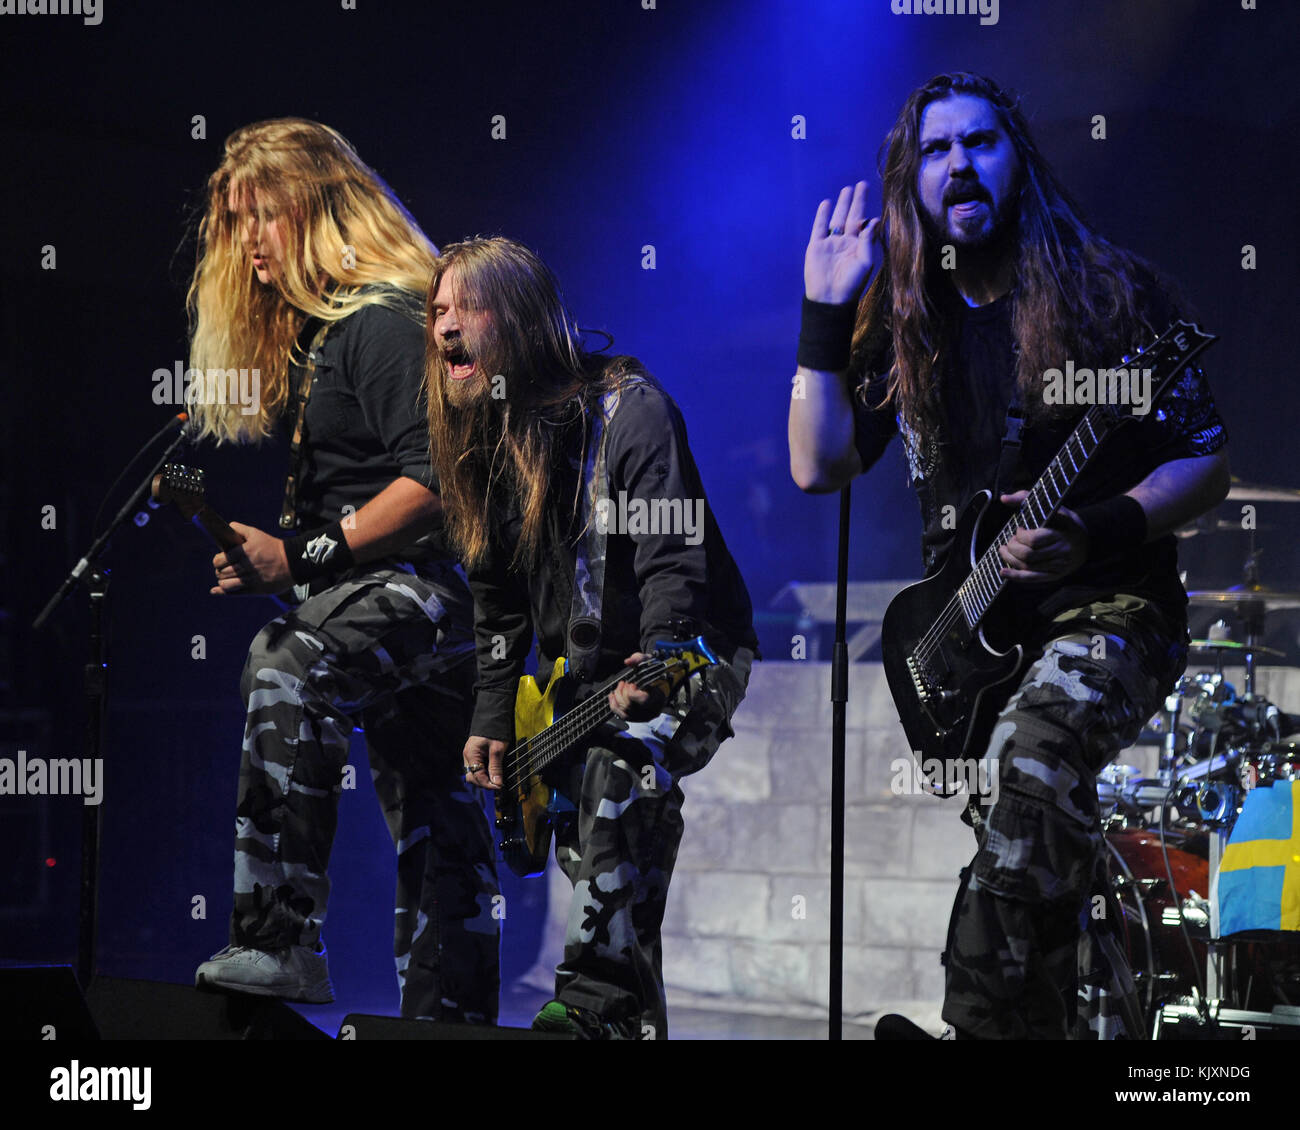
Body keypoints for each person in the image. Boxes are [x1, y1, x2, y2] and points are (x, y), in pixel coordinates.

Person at [788, 73, 1230, 1039]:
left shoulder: (1113, 295)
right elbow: (817, 466)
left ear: (1018, 159)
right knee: (1034, 871)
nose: (960, 165)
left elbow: (1204, 461)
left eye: (980, 143)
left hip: (1111, 613)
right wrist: (825, 319)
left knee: (1031, 773)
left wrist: (1096, 527)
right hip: (968, 639)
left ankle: (971, 1030)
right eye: (936, 151)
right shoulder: (906, 325)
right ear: (913, 185)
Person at [186, 118, 499, 1022]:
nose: (249, 241)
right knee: (438, 810)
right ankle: (451, 1022)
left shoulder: (379, 321)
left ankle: (280, 941)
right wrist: (288, 564)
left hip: (436, 594)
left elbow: (437, 485)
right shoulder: (327, 336)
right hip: (402, 604)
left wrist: (303, 558)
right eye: (235, 221)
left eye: (265, 215)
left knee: (287, 662)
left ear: (320, 207)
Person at [426, 236, 757, 1039]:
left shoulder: (631, 415)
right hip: (583, 683)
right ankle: (613, 1011)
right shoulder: (484, 447)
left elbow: (673, 561)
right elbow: (499, 607)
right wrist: (492, 717)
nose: (443, 330)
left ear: (524, 320)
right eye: (435, 312)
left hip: (691, 654)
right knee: (610, 901)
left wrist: (664, 648)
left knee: (622, 765)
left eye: (466, 308)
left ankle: (582, 1008)